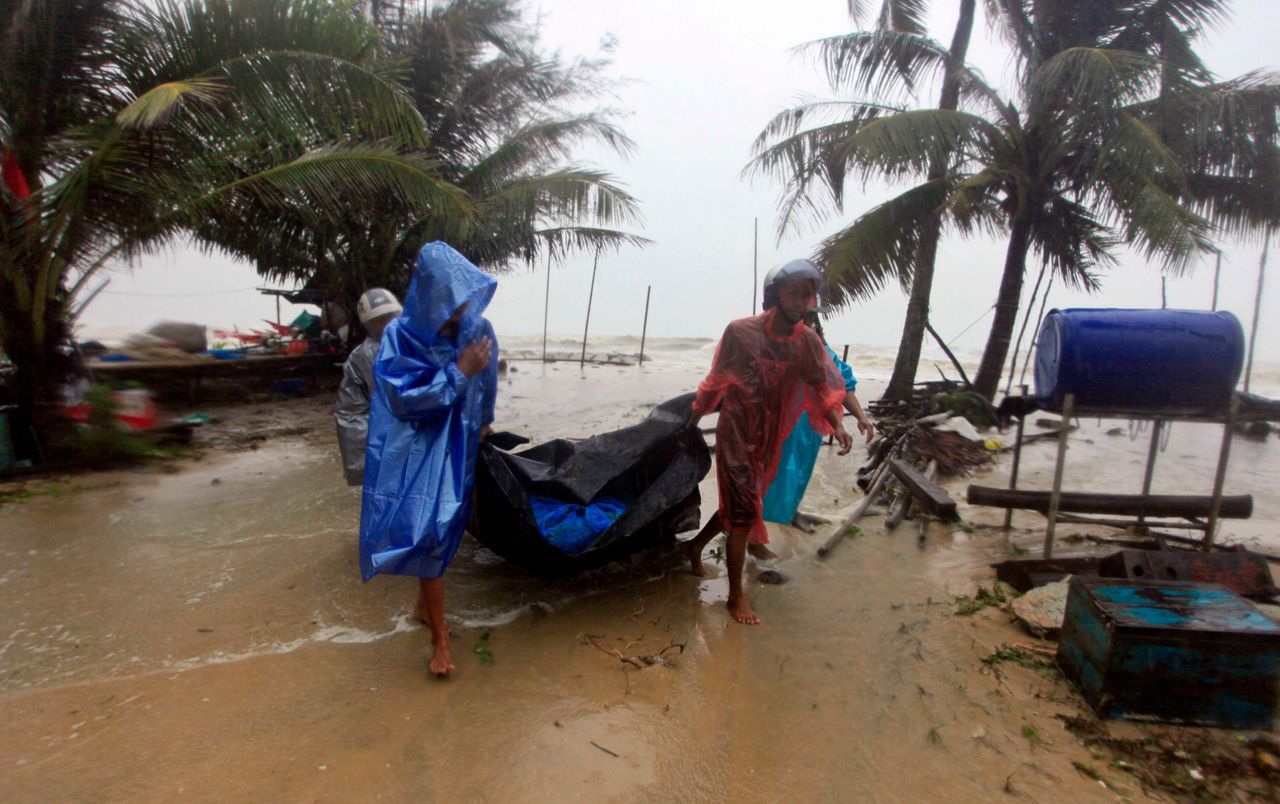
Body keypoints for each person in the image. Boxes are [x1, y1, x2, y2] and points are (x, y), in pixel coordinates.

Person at [682, 259, 853, 625]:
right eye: (796, 293)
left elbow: (823, 387)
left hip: (771, 435)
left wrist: (837, 425)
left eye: (809, 295)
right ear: (775, 294)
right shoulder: (741, 332)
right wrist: (692, 424)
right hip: (737, 432)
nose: (803, 302)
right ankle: (735, 597)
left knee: (743, 505)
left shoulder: (807, 340)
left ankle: (694, 548)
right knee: (743, 514)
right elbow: (714, 381)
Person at [359, 242, 499, 677]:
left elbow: (489, 379)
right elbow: (401, 399)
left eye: (464, 296)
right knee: (430, 529)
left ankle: (424, 604)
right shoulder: (401, 336)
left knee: (447, 525)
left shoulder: (478, 328)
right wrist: (460, 371)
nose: (459, 308)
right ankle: (440, 638)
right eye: (450, 297)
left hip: (458, 441)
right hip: (416, 444)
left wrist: (486, 421)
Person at [761, 309, 874, 533]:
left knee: (797, 471)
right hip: (774, 422)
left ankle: (787, 514)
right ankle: (756, 529)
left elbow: (842, 386)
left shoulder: (822, 352)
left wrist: (862, 418)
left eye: (810, 320)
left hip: (808, 427)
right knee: (767, 474)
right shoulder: (773, 347)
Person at [335, 287, 402, 486]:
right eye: (379, 320)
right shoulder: (360, 358)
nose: (387, 324)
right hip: (389, 443)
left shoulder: (417, 344)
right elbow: (350, 413)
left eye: (390, 317)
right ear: (368, 325)